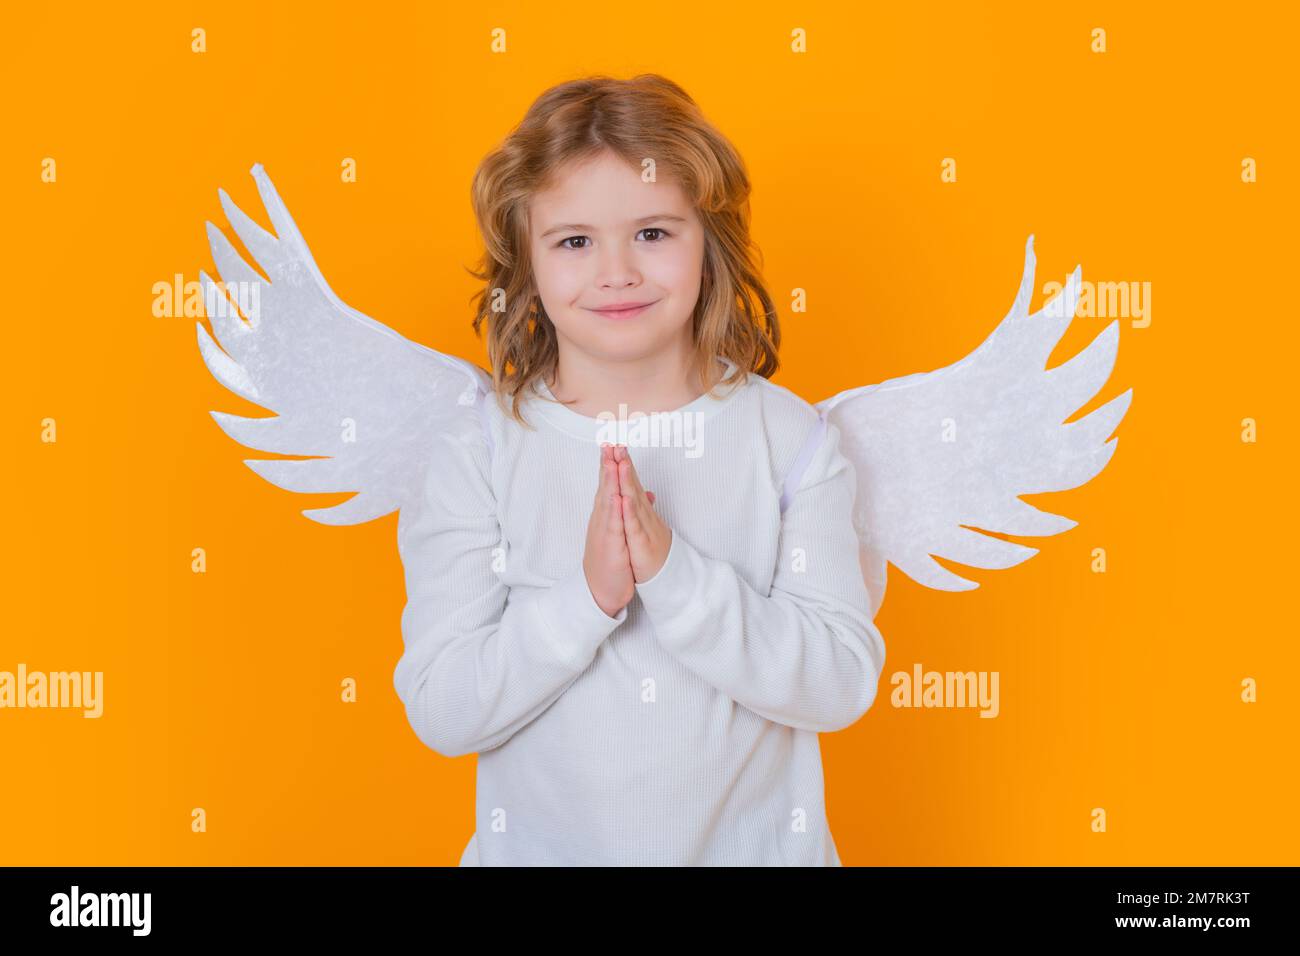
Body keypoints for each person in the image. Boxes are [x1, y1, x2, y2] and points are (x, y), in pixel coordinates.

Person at [392, 74, 886, 865]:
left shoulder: (791, 440)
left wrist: (678, 579)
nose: (616, 271)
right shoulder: (479, 454)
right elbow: (445, 709)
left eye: (653, 233)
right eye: (574, 241)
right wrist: (587, 599)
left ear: (708, 242)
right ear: (528, 261)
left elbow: (838, 683)